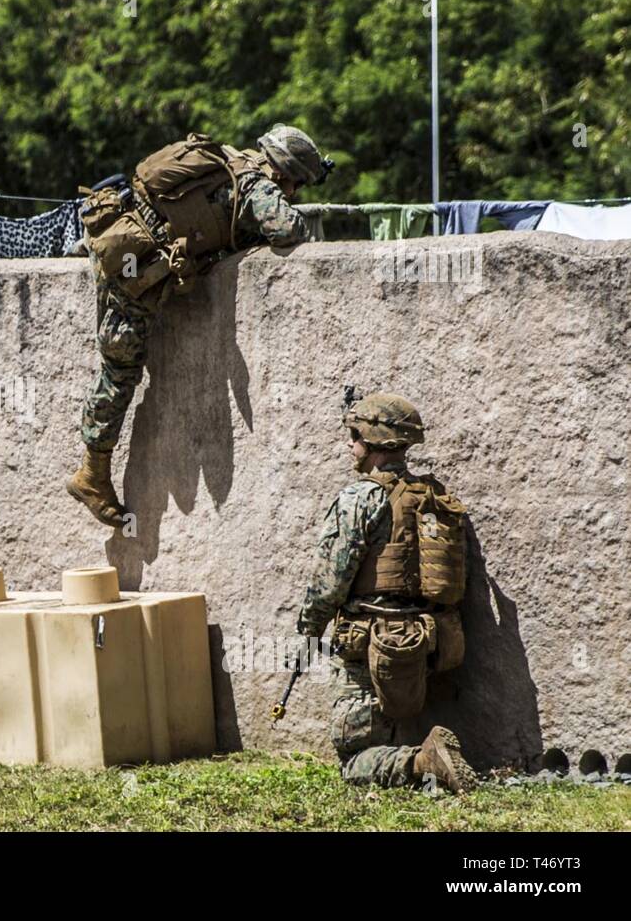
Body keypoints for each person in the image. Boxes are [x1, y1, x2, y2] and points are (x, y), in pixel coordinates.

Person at [68, 125, 332, 526]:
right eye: (295, 184)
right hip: (134, 264)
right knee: (119, 369)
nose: (293, 193)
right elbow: (287, 230)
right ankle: (92, 474)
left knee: (117, 362)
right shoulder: (256, 185)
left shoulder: (229, 159)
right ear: (284, 173)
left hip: (119, 237)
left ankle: (93, 470)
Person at [296, 392, 477, 793]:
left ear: (375, 441)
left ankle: (422, 761)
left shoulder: (360, 497)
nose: (350, 445)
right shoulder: (431, 495)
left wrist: (309, 626)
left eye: (355, 436)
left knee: (354, 759)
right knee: (383, 729)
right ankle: (415, 751)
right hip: (428, 640)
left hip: (371, 644)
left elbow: (330, 580)